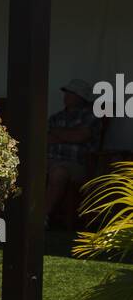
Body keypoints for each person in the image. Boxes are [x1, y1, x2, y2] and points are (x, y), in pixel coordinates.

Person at [46, 78, 100, 219]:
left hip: (76, 164)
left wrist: (58, 133)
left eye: (72, 93)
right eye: (67, 93)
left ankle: (40, 218)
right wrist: (69, 135)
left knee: (58, 173)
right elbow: (45, 138)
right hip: (49, 159)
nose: (67, 96)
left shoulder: (91, 115)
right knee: (26, 168)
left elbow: (80, 136)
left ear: (81, 97)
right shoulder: (56, 117)